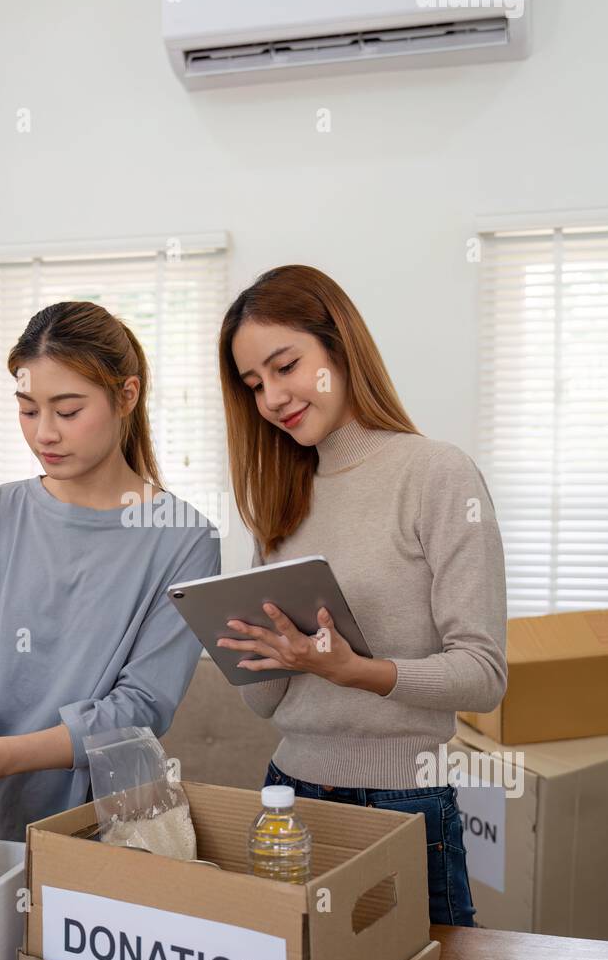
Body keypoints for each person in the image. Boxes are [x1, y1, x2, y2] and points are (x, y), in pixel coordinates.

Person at [215, 264, 508, 926]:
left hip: (402, 802)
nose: (271, 398)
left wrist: (356, 671)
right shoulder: (279, 502)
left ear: (340, 347)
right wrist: (253, 647)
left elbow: (484, 676)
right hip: (288, 794)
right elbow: (265, 704)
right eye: (254, 384)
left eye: (285, 366)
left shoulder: (437, 474)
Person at [0, 301, 220, 841]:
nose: (44, 433)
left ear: (127, 396)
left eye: (67, 412)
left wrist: (1, 757)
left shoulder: (185, 538)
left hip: (109, 828)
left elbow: (140, 709)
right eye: (28, 410)